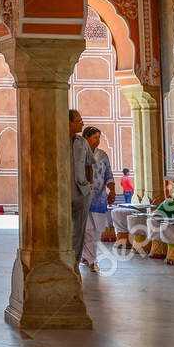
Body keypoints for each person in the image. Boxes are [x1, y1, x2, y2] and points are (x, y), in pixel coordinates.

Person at [68, 110, 97, 271]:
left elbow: (88, 165)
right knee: (63, 232)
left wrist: (89, 186)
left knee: (79, 232)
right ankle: (63, 265)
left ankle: (74, 266)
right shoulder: (57, 141)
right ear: (68, 123)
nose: (82, 123)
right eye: (79, 121)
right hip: (63, 193)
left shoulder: (82, 142)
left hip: (81, 192)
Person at [82, 126, 114, 269]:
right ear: (86, 138)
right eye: (95, 137)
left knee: (97, 230)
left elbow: (109, 174)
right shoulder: (79, 154)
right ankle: (92, 260)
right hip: (83, 198)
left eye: (99, 137)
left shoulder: (102, 155)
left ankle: (87, 256)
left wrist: (112, 191)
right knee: (87, 230)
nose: (98, 140)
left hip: (99, 199)